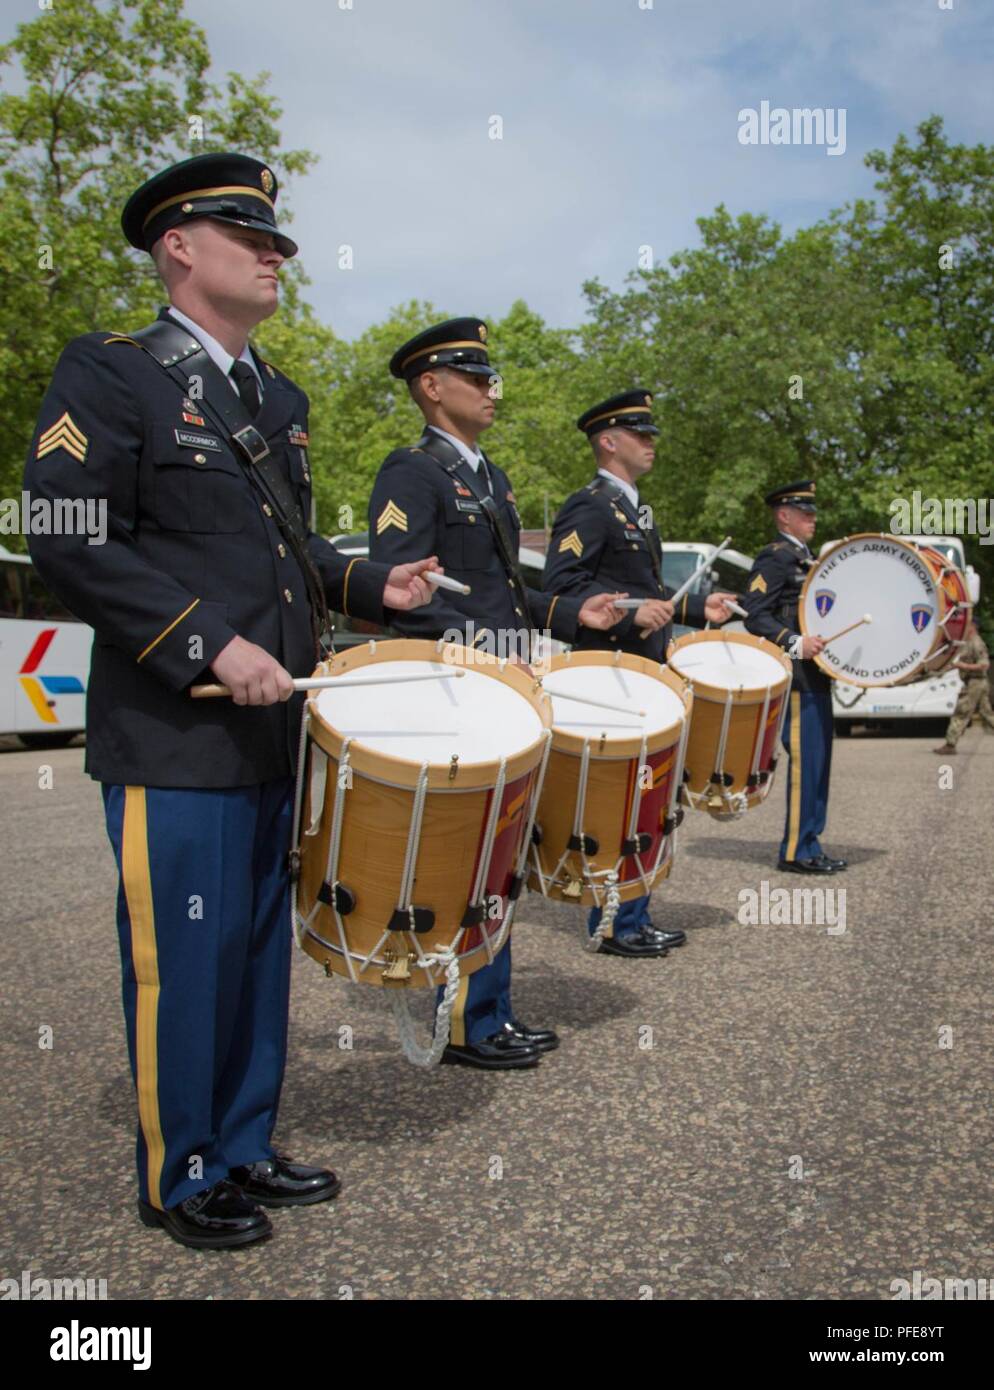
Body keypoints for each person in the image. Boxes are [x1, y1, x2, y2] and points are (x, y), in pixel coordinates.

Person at [23, 153, 438, 1250]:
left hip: (274, 727)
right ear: (178, 248)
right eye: (248, 236)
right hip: (178, 726)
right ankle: (184, 1166)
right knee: (186, 956)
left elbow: (287, 550)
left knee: (257, 948)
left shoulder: (277, 399)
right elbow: (63, 532)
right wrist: (203, 640)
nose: (273, 254)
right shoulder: (111, 374)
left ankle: (247, 1140)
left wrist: (366, 584)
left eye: (278, 241)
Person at [368, 318, 626, 1069]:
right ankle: (465, 1022)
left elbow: (508, 592)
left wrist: (571, 614)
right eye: (473, 376)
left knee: (500, 851)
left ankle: (492, 1010)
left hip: (501, 684)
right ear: (430, 386)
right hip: (459, 687)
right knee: (468, 856)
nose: (489, 388)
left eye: (490, 376)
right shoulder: (410, 472)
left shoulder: (491, 476)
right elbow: (401, 587)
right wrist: (482, 652)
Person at [543, 389, 737, 956]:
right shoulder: (590, 506)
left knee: (647, 796)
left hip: (644, 672)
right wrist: (628, 613)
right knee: (619, 799)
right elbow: (563, 589)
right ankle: (613, 924)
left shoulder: (634, 509)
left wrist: (702, 607)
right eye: (640, 434)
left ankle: (634, 912)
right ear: (608, 441)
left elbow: (652, 595)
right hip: (614, 674)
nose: (651, 443)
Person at [741, 481, 845, 874]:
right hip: (798, 675)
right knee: (806, 762)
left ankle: (812, 843)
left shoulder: (809, 558)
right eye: (805, 513)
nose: (812, 519)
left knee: (820, 764)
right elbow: (755, 612)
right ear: (783, 515)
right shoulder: (776, 556)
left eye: (813, 512)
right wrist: (793, 641)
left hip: (817, 674)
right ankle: (797, 851)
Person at [934, 619, 994, 752]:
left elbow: (984, 664)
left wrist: (963, 666)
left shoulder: (976, 643)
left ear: (972, 626)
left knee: (961, 712)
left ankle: (950, 745)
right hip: (975, 682)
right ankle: (950, 744)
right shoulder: (967, 643)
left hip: (975, 683)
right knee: (987, 714)